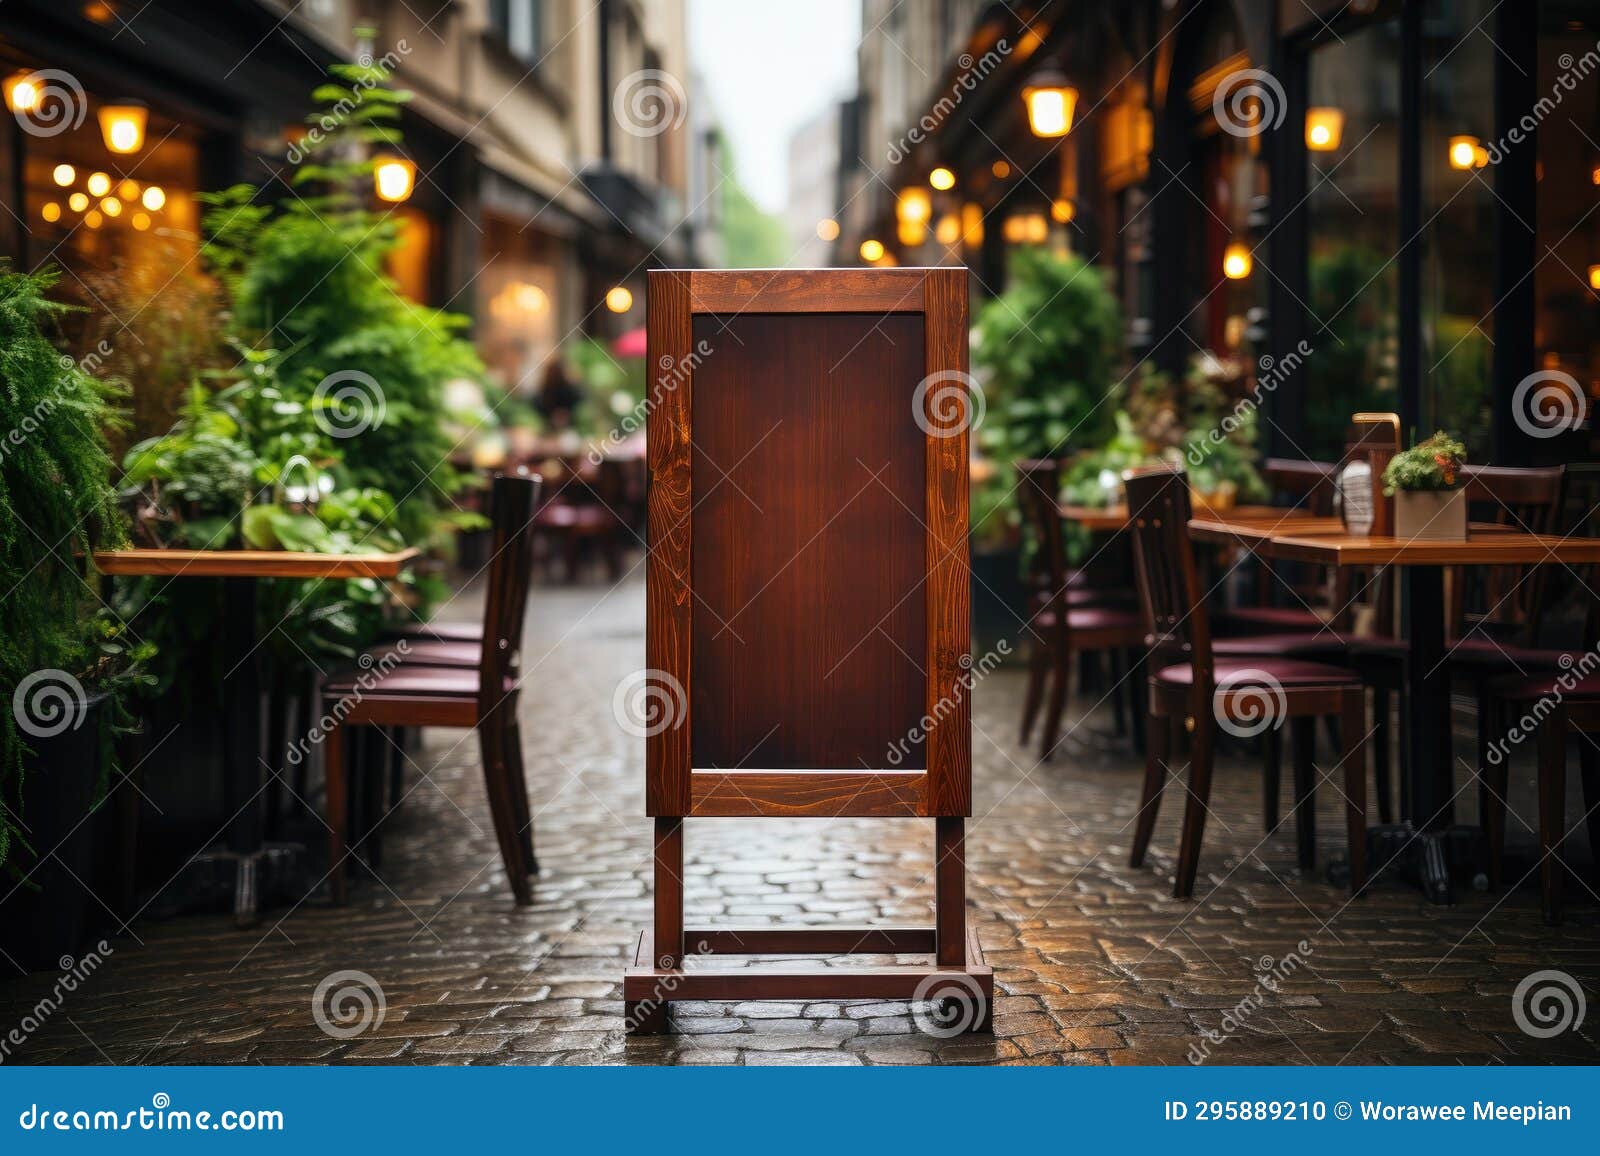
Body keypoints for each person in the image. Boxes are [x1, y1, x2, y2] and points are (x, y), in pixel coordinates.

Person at [533, 361, 584, 429]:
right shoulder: (544, 392)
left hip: (569, 426)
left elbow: (578, 401)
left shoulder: (570, 390)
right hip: (549, 425)